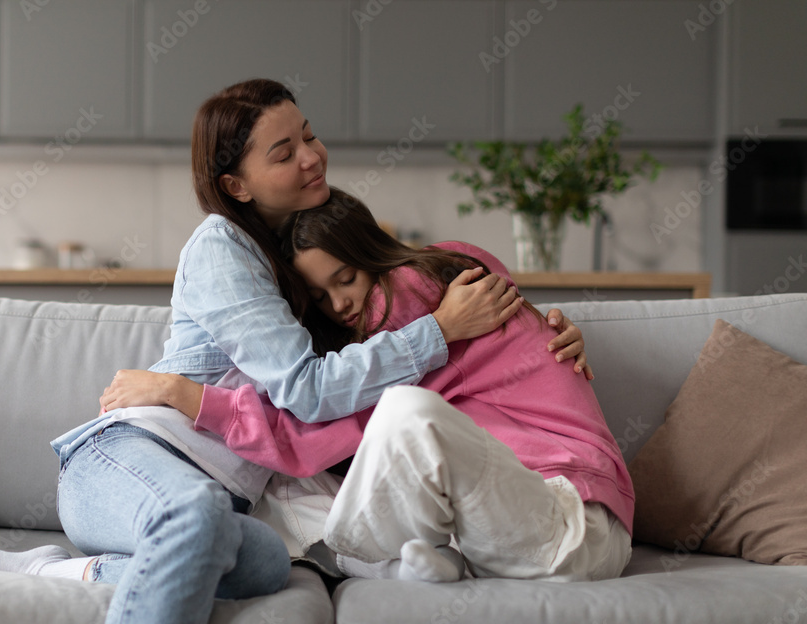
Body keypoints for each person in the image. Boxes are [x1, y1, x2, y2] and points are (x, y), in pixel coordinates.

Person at [0, 80, 589, 624]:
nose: (311, 154)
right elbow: (307, 390)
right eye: (284, 150)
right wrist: (439, 330)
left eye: (309, 135)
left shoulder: (308, 262)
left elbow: (388, 358)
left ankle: (63, 571)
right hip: (128, 459)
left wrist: (537, 335)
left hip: (227, 506)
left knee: (271, 562)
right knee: (199, 513)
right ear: (236, 184)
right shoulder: (223, 246)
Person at [113, 187, 634, 584]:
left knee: (404, 414)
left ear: (371, 256)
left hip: (569, 517)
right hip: (508, 524)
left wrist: (181, 393)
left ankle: (356, 555)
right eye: (319, 297)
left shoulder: (415, 298)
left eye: (346, 278)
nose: (338, 304)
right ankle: (416, 559)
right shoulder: (439, 286)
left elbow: (307, 435)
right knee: (285, 489)